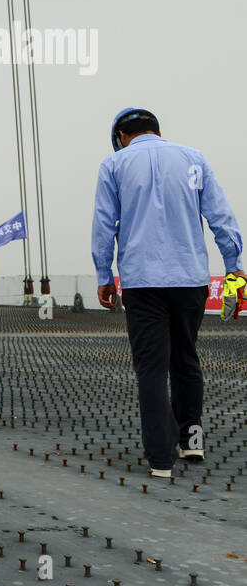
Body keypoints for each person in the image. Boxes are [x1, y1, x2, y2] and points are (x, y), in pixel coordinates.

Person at [93, 107, 243, 479]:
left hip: (143, 282)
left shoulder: (114, 166)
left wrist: (103, 274)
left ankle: (161, 459)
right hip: (190, 278)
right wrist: (234, 264)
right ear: (157, 131)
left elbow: (103, 224)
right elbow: (220, 215)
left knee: (151, 367)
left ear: (122, 136)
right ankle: (192, 439)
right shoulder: (194, 158)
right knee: (186, 359)